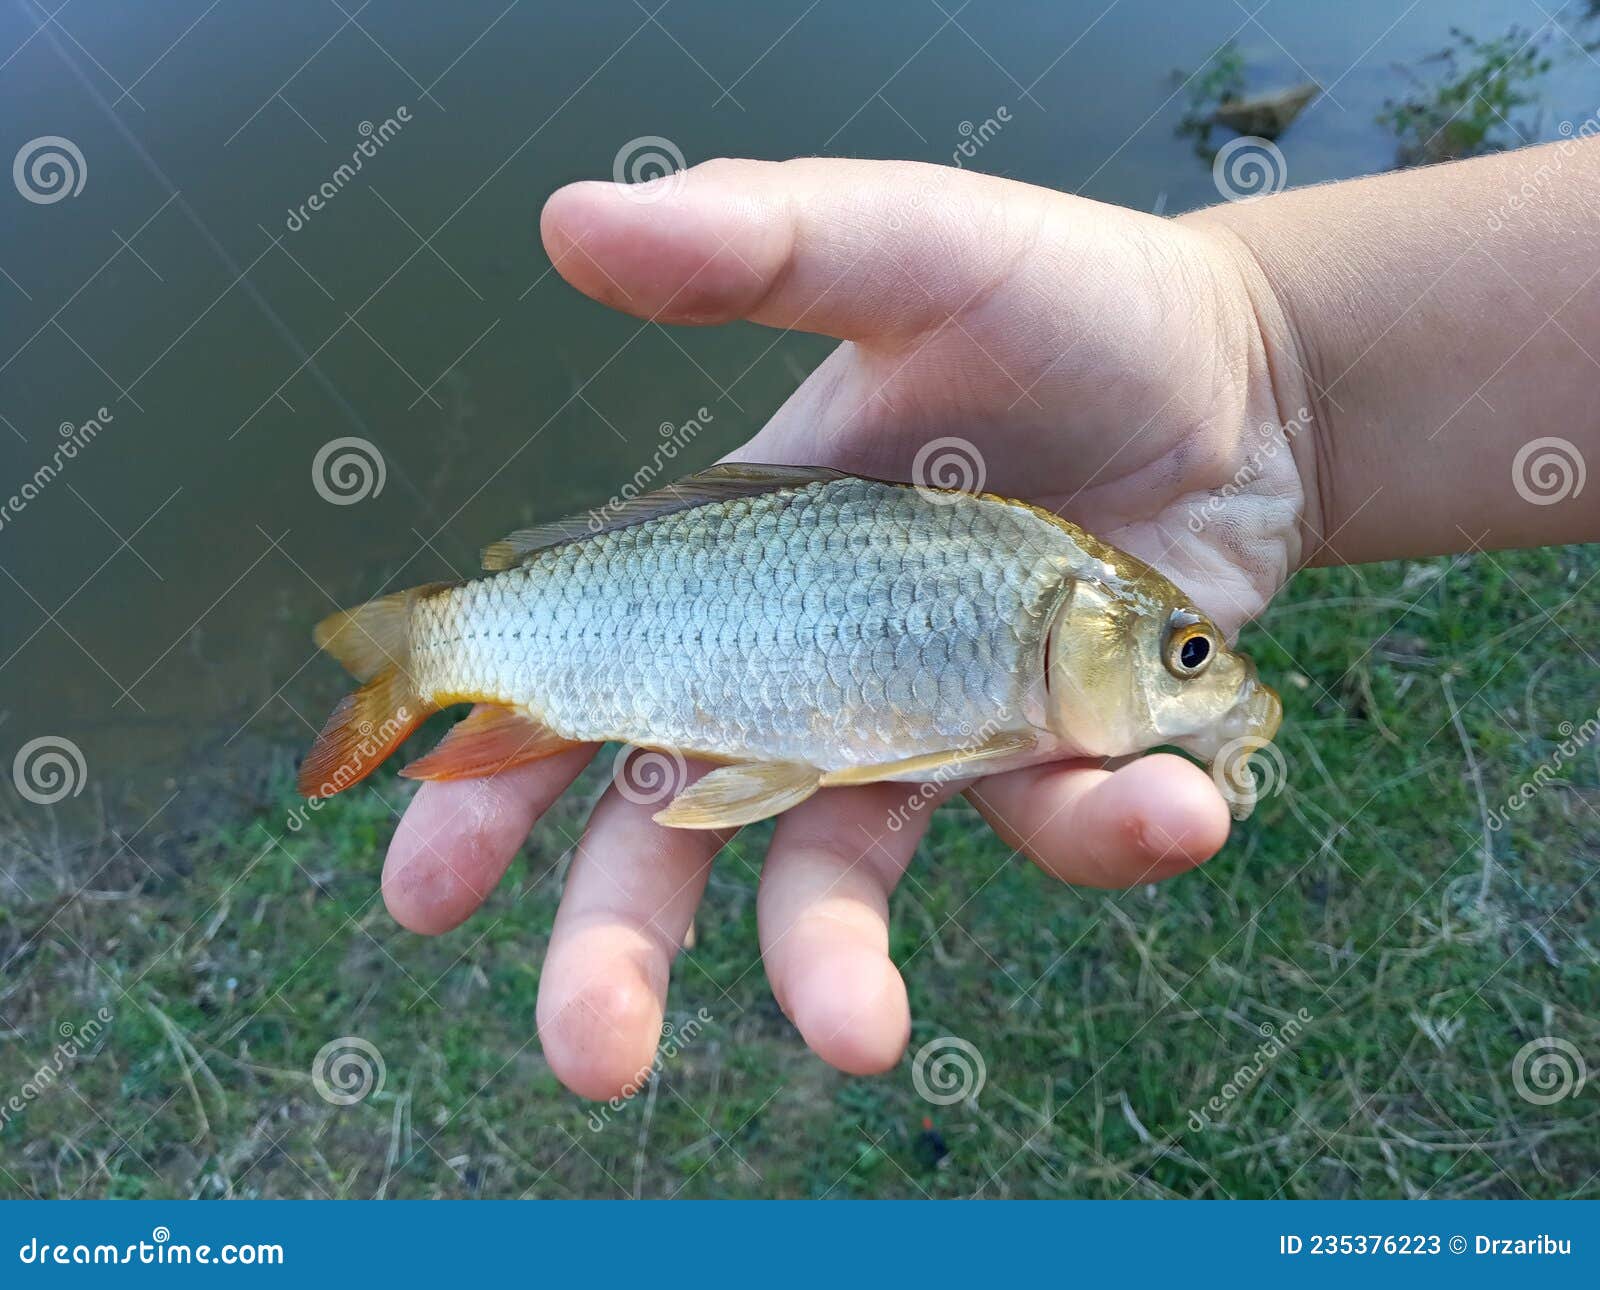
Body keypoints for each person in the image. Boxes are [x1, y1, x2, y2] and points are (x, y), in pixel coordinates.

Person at [377, 142, 1598, 1101]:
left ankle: (432, 654)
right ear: (1078, 634)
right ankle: (423, 655)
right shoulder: (1036, 583)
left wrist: (1272, 350)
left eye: (1190, 660)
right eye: (1184, 656)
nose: (1202, 680)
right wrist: (1266, 342)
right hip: (607, 616)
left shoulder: (1046, 595)